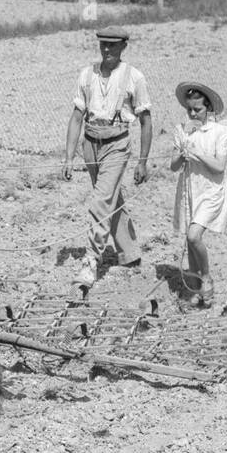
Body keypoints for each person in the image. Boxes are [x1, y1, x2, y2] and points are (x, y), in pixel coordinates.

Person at [63, 26, 153, 287]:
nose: (107, 49)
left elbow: (146, 121)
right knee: (111, 198)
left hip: (117, 144)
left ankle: (91, 262)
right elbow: (77, 116)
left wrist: (143, 161)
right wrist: (69, 156)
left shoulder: (134, 77)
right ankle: (129, 253)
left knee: (100, 201)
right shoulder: (86, 74)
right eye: (103, 44)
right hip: (91, 143)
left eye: (113, 45)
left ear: (124, 46)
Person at [169, 81, 227, 308]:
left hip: (211, 190)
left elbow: (219, 166)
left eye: (198, 110)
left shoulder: (221, 131)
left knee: (194, 235)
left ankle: (206, 276)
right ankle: (195, 290)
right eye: (189, 110)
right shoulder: (181, 131)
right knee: (189, 237)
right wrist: (181, 155)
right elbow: (174, 166)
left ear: (209, 109)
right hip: (189, 188)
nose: (193, 114)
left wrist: (197, 153)